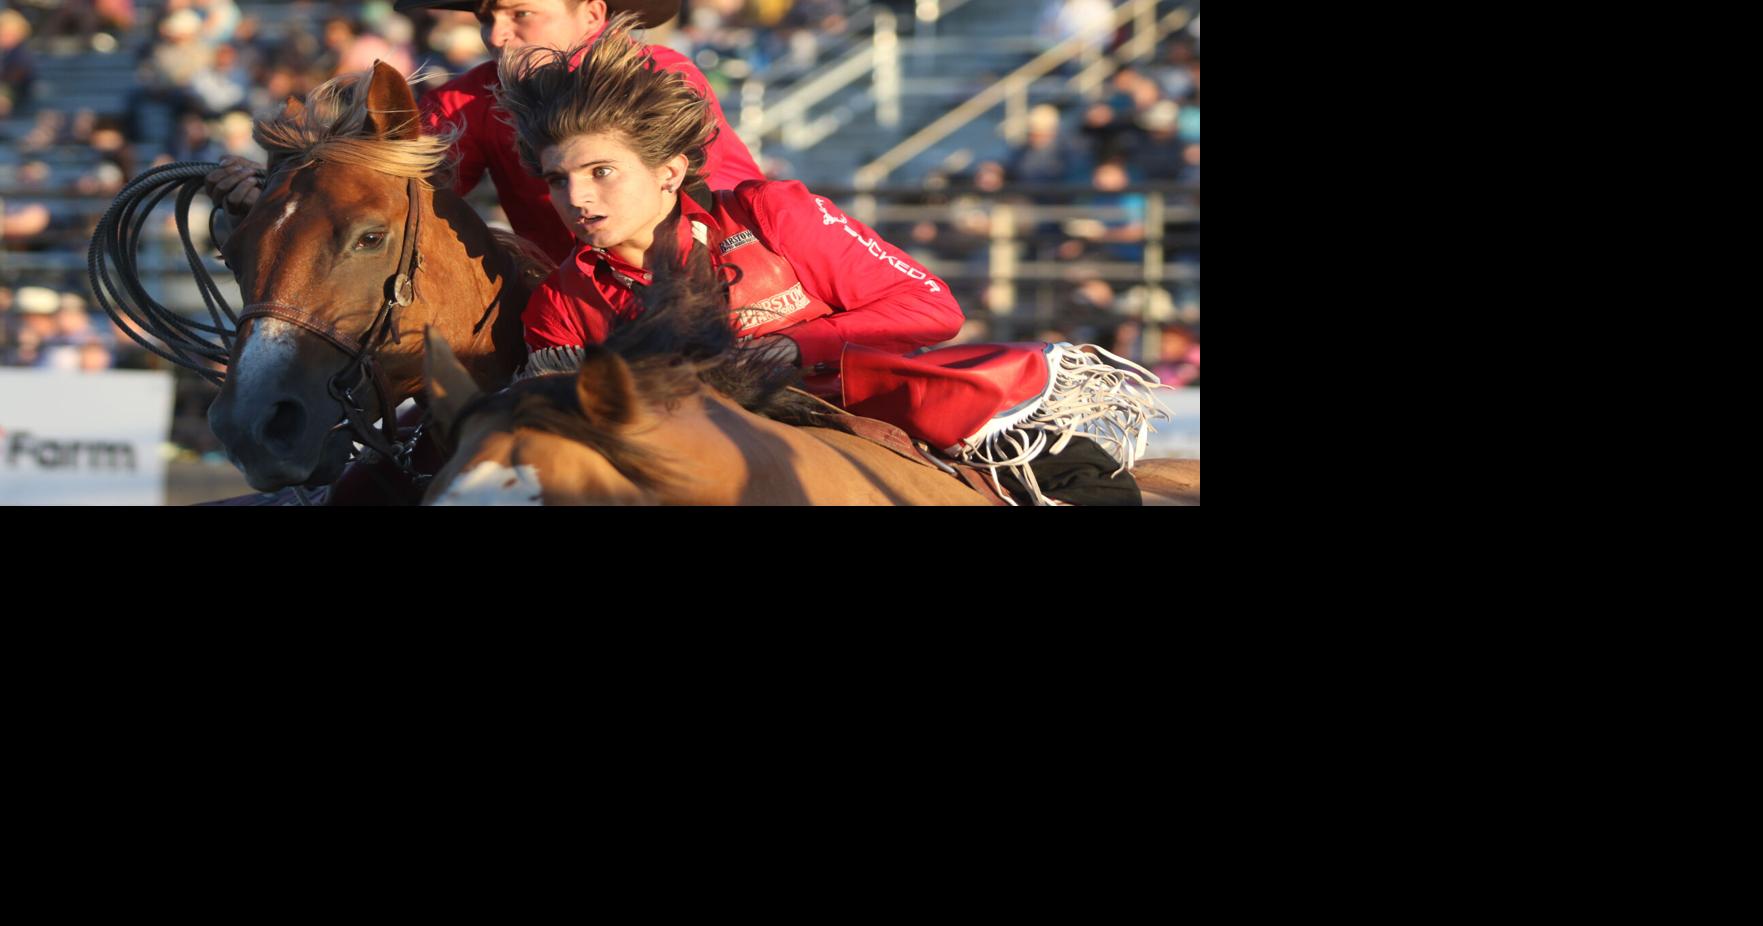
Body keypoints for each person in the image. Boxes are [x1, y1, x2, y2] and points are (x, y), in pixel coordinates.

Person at [494, 15, 962, 390]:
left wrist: (795, 345)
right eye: (557, 180)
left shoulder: (771, 213)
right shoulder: (559, 305)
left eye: (602, 171)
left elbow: (932, 307)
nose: (576, 197)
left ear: (670, 172)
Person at [205, 0, 763, 265]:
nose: (497, 35)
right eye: (485, 17)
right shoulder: (469, 96)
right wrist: (280, 194)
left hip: (696, 292)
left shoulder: (660, 73)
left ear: (592, 15)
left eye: (521, 14)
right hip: (562, 311)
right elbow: (388, 184)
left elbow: (733, 207)